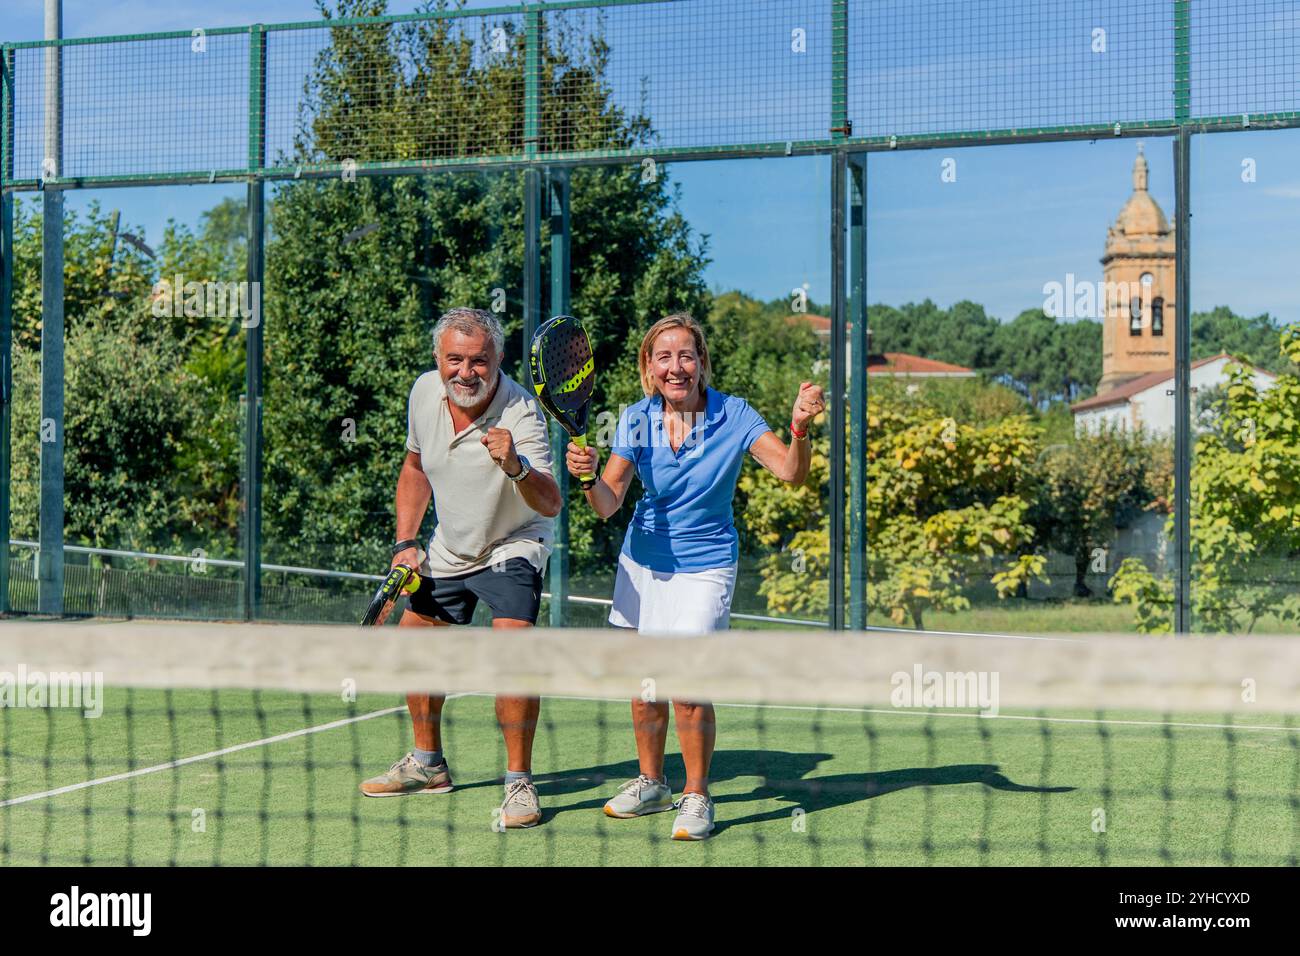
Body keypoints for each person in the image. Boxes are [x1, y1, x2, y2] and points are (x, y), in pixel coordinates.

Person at [565, 312, 823, 840]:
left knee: (686, 686)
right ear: (649, 367)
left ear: (701, 362)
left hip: (706, 565)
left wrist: (799, 426)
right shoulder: (635, 420)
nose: (676, 367)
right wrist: (589, 476)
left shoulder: (736, 414)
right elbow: (608, 504)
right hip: (642, 564)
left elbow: (792, 474)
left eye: (687, 355)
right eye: (665, 357)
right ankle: (651, 782)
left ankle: (697, 794)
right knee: (645, 688)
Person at [360, 307, 562, 829]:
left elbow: (551, 503)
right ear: (438, 358)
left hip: (513, 543)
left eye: (479, 361)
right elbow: (414, 469)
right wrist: (407, 542)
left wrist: (515, 465)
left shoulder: (523, 412)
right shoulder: (424, 392)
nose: (466, 372)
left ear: (498, 360)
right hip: (451, 543)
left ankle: (519, 784)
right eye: (455, 359)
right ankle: (428, 765)